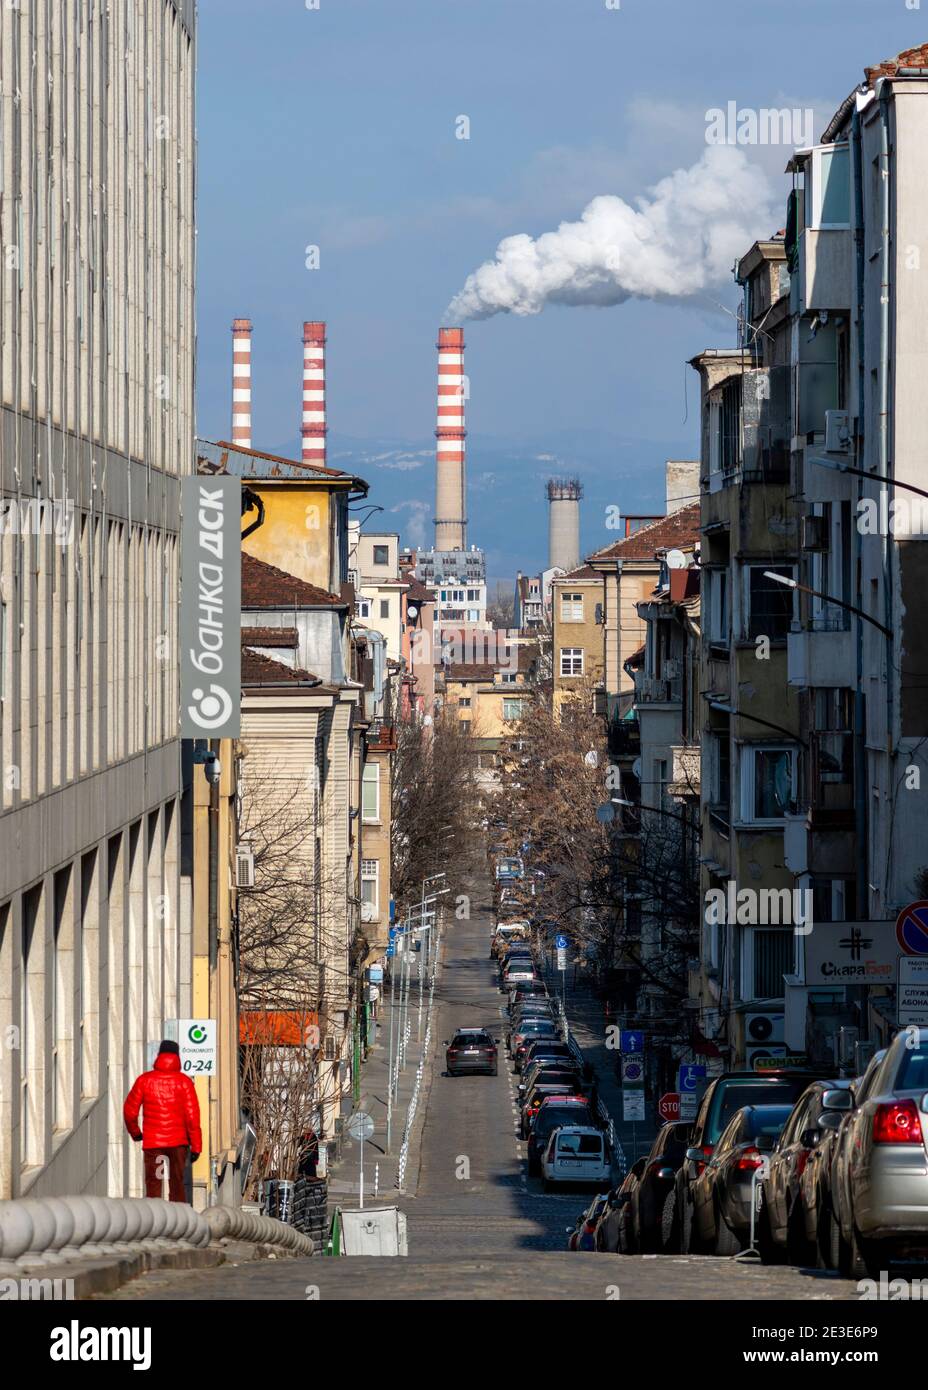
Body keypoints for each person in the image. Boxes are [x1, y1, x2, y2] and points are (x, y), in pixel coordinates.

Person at [123, 1040, 202, 1202]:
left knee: (154, 1183)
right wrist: (196, 1147)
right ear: (177, 1057)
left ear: (159, 1055)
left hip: (153, 1144)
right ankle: (178, 1220)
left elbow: (130, 1111)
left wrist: (136, 1133)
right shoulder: (185, 1082)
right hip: (178, 1144)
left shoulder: (144, 1080)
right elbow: (192, 1117)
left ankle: (155, 1220)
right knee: (177, 1183)